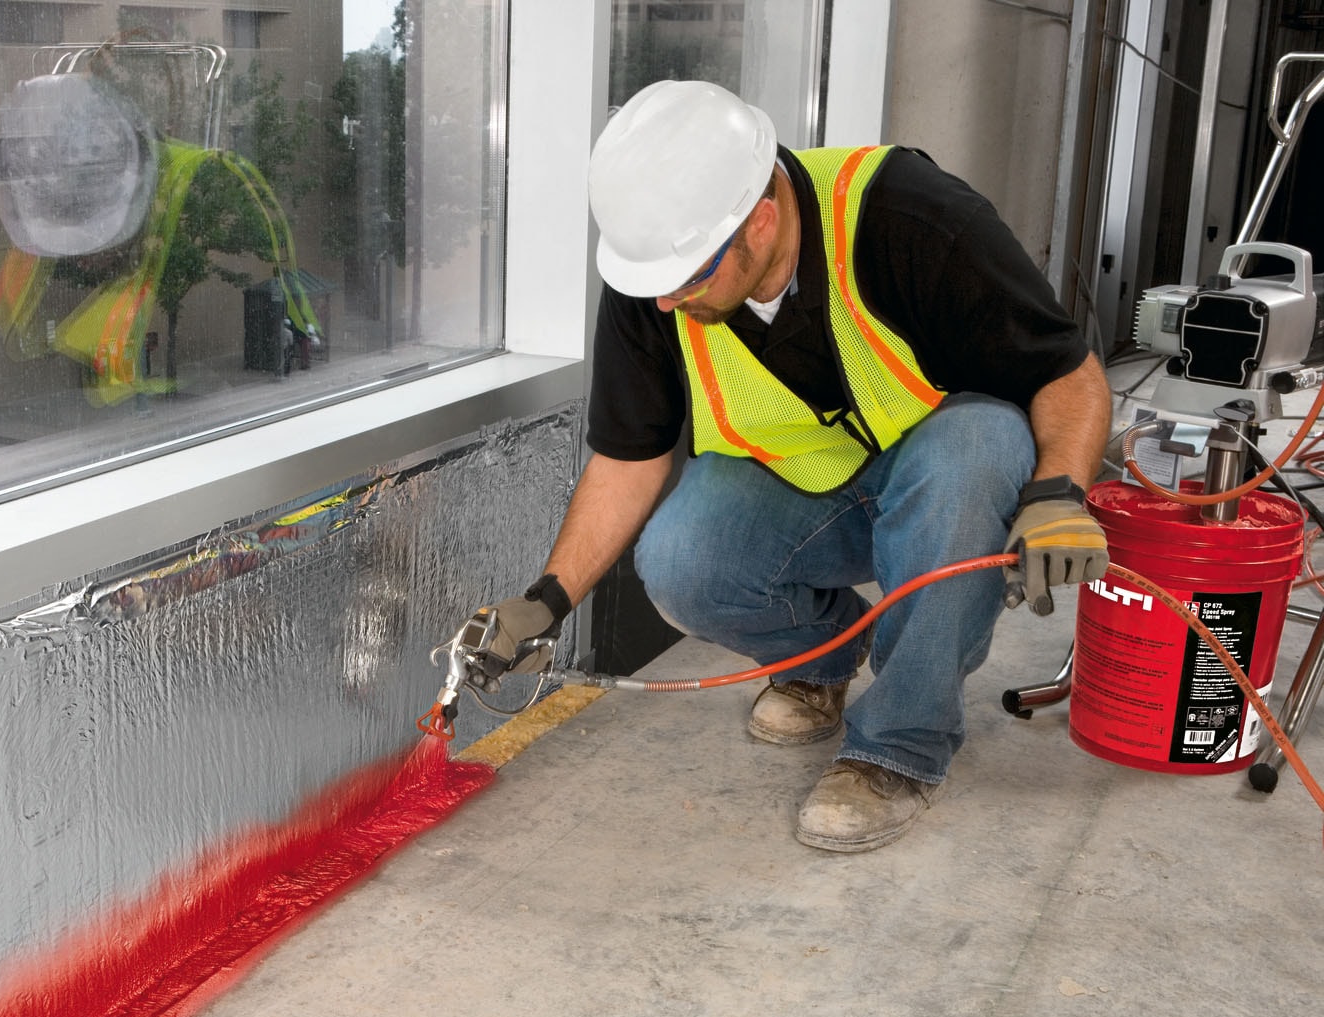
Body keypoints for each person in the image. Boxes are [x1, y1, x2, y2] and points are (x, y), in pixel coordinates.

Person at [467, 80, 1112, 853]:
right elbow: (626, 458)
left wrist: (1058, 494)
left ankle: (899, 749)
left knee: (976, 449)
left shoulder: (912, 219)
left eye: (689, 277)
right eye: (656, 284)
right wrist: (547, 599)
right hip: (815, 498)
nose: (667, 303)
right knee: (678, 555)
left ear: (762, 221)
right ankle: (821, 661)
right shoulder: (660, 279)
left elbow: (1068, 374)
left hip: (948, 488)